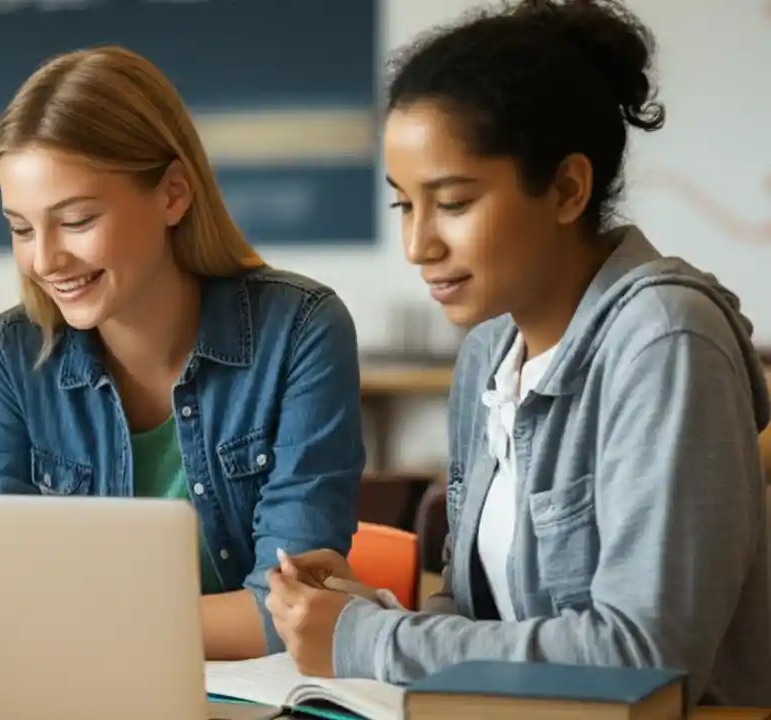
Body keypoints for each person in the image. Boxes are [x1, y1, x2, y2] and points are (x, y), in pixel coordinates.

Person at [267, 0, 771, 706]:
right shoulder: (487, 353)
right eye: (404, 206)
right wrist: (373, 611)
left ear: (567, 188)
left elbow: (649, 660)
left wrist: (370, 640)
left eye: (454, 202)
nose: (419, 247)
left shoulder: (665, 342)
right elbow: (482, 619)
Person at [0, 45, 365, 660]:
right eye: (20, 228)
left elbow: (289, 617)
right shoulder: (8, 360)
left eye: (77, 219)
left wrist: (66, 622)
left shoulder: (301, 331)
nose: (44, 261)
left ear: (174, 193)